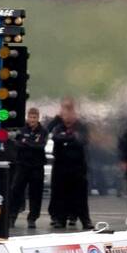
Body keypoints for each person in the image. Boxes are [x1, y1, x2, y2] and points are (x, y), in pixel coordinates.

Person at [48, 97, 92, 229]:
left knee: (80, 194)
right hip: (61, 165)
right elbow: (55, 136)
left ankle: (85, 220)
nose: (68, 116)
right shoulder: (58, 126)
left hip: (77, 165)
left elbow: (82, 140)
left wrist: (67, 139)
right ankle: (60, 219)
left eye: (70, 113)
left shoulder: (82, 126)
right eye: (65, 113)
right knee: (60, 193)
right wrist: (69, 137)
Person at [7, 106, 48, 228]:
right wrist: (29, 142)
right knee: (16, 191)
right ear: (27, 117)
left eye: (34, 117)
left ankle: (32, 218)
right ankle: (12, 216)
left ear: (38, 118)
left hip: (37, 166)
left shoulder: (43, 131)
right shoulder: (22, 129)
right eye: (30, 117)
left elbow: (40, 146)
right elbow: (17, 144)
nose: (32, 120)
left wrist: (26, 142)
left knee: (35, 193)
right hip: (22, 165)